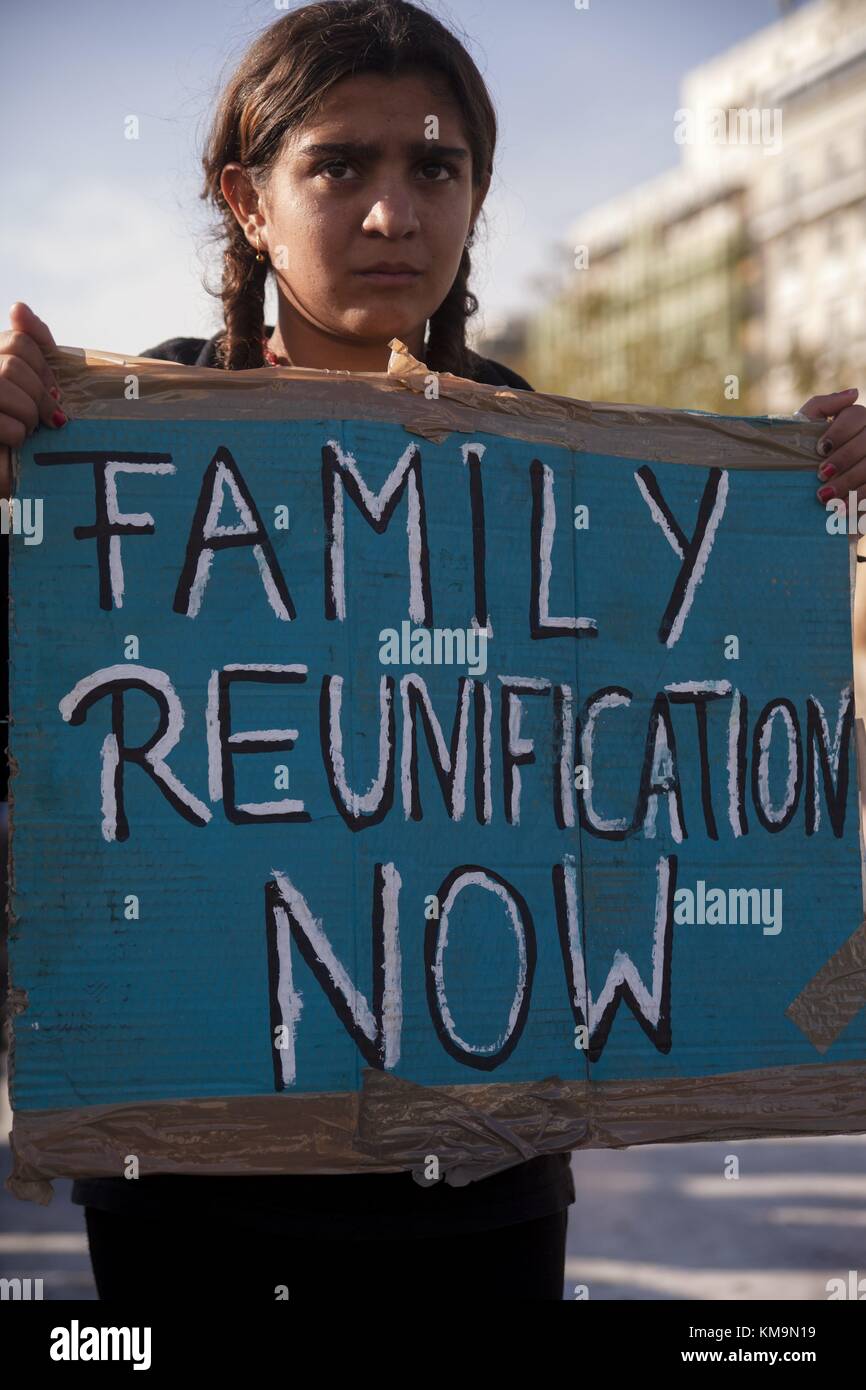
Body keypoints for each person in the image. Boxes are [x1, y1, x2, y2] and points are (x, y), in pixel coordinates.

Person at [0, 0, 864, 1304]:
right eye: (339, 166)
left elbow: (681, 772)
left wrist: (822, 502)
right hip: (188, 1177)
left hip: (484, 1181)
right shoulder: (105, 451)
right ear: (245, 197)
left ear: (476, 194)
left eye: (435, 167)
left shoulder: (562, 459)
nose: (394, 214)